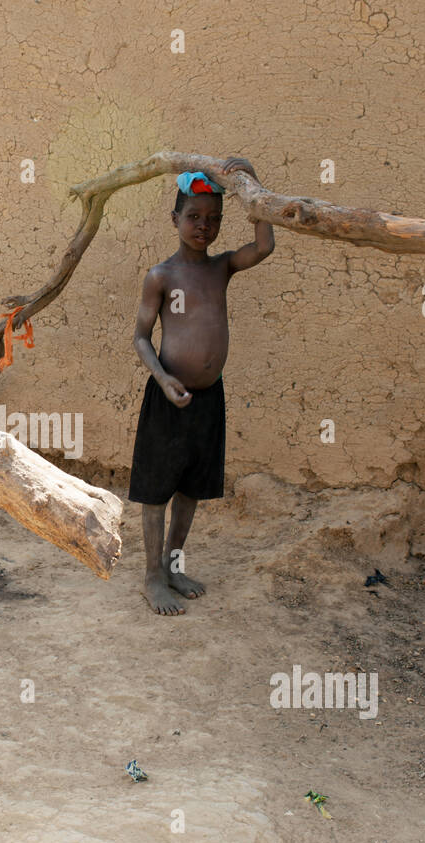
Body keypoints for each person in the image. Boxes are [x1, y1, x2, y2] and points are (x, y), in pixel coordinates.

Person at [129, 160, 275, 615]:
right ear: (175, 220)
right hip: (169, 397)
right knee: (155, 491)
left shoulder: (222, 268)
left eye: (213, 219)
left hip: (208, 399)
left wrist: (251, 182)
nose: (203, 226)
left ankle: (172, 565)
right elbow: (140, 336)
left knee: (191, 489)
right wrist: (163, 377)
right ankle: (152, 575)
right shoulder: (162, 276)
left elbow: (265, 245)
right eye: (193, 216)